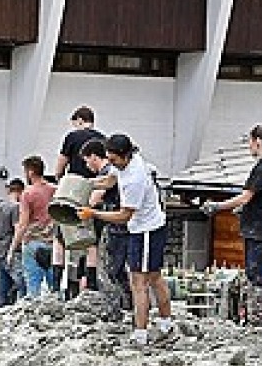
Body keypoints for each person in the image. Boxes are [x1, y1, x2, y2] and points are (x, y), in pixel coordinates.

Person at [79, 134, 174, 347]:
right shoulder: (125, 164)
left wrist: (93, 214)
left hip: (146, 230)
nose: (110, 163)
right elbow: (110, 180)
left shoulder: (135, 178)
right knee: (154, 277)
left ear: (124, 156)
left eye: (113, 160)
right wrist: (84, 184)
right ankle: (166, 324)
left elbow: (124, 215)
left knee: (139, 282)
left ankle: (141, 334)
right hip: (143, 228)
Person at [202, 124, 262, 325]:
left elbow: (247, 196)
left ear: (258, 142)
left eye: (250, 142)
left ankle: (256, 317)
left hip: (260, 228)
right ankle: (257, 314)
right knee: (258, 270)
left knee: (256, 271)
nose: (249, 146)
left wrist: (218, 206)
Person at [56, 106, 105, 293]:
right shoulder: (103, 138)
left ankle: (57, 284)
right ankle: (90, 283)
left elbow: (60, 165)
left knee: (60, 239)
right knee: (91, 239)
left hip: (73, 192)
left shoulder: (72, 137)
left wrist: (59, 180)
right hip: (94, 193)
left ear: (79, 120)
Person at [81, 139, 131, 321]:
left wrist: (88, 208)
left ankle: (120, 309)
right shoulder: (113, 171)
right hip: (118, 227)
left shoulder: (113, 171)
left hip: (119, 228)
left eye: (87, 161)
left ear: (94, 157)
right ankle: (125, 307)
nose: (88, 165)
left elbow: (95, 198)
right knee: (117, 272)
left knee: (113, 272)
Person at [12, 156, 57, 297]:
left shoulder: (28, 193)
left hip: (33, 241)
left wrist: (13, 248)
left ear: (30, 172)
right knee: (54, 286)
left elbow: (23, 223)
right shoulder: (54, 190)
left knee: (33, 287)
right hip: (52, 243)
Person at [0, 178, 25, 306]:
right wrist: (12, 251)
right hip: (12, 252)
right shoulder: (16, 207)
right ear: (21, 192)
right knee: (22, 284)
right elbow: (17, 230)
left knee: (3, 286)